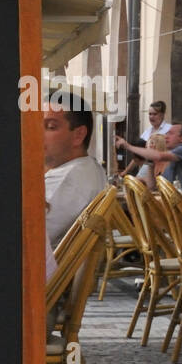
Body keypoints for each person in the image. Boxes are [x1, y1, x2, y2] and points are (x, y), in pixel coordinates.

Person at [43, 91, 106, 248]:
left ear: (79, 135)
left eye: (50, 127)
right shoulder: (89, 168)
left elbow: (25, 237)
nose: (36, 134)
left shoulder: (67, 180)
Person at [116, 121, 182, 193]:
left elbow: (159, 156)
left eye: (170, 133)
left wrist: (128, 146)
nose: (165, 136)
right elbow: (152, 186)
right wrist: (150, 163)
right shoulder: (174, 158)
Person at [118, 100, 170, 177]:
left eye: (154, 114)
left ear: (162, 115)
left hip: (163, 169)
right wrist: (125, 172)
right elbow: (138, 155)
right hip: (147, 167)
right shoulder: (147, 132)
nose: (151, 117)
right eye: (150, 114)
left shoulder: (169, 129)